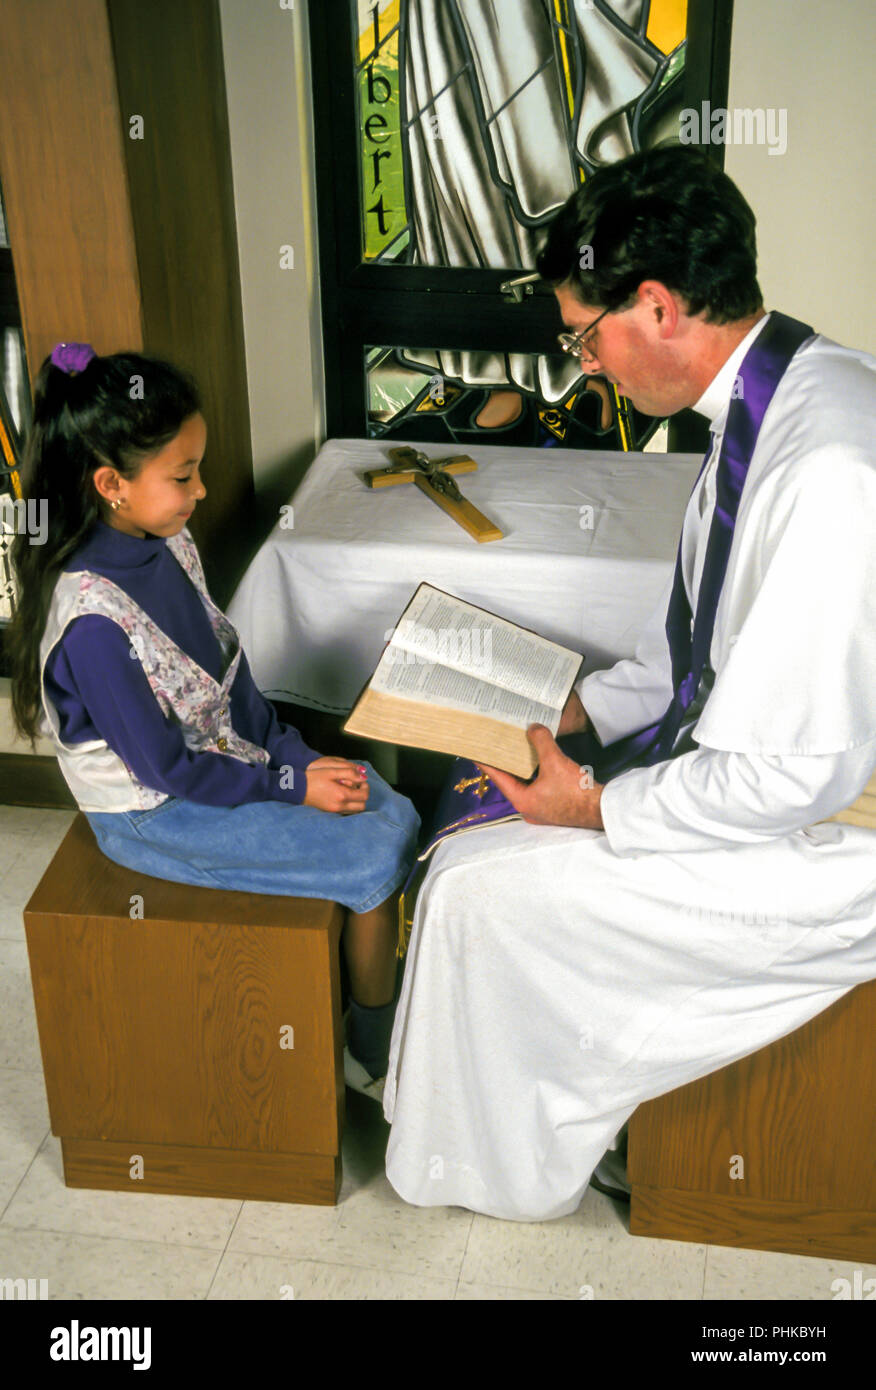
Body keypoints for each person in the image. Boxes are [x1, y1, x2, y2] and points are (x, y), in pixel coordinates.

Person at [382, 146, 876, 1221]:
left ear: (654, 304)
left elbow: (788, 777)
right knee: (482, 828)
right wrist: (578, 710)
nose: (585, 366)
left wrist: (595, 804)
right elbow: (698, 645)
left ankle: (483, 1160)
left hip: (843, 835)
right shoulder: (787, 390)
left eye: (583, 335)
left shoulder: (827, 468)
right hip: (785, 778)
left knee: (477, 884)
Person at [7, 346, 420, 1098]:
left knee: (389, 806)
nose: (201, 489)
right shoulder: (94, 623)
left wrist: (285, 751)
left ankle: (377, 1003)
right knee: (376, 851)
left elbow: (228, 671)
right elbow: (165, 769)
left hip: (221, 759)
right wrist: (292, 784)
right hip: (158, 812)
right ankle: (376, 1054)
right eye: (183, 475)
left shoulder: (165, 542)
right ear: (112, 486)